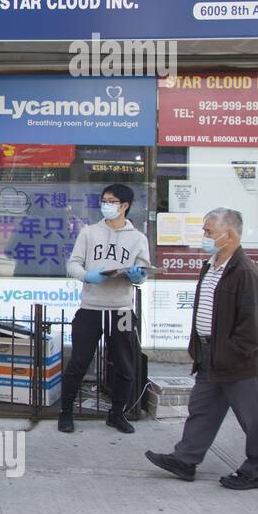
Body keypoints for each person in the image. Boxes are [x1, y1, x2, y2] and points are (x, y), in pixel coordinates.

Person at [146, 208, 258, 490]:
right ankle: (185, 459)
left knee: (253, 418)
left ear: (230, 235)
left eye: (209, 232)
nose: (204, 237)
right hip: (208, 356)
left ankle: (256, 470)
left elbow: (251, 325)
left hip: (238, 361)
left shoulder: (244, 272)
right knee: (201, 410)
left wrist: (230, 353)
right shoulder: (212, 265)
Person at [57, 183, 152, 434]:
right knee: (79, 361)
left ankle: (117, 413)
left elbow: (143, 274)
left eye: (112, 201)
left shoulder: (138, 238)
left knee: (124, 364)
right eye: (104, 200)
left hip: (121, 309)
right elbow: (73, 264)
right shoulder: (89, 233)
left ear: (125, 206)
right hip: (91, 308)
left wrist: (135, 275)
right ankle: (66, 412)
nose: (107, 205)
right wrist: (88, 276)